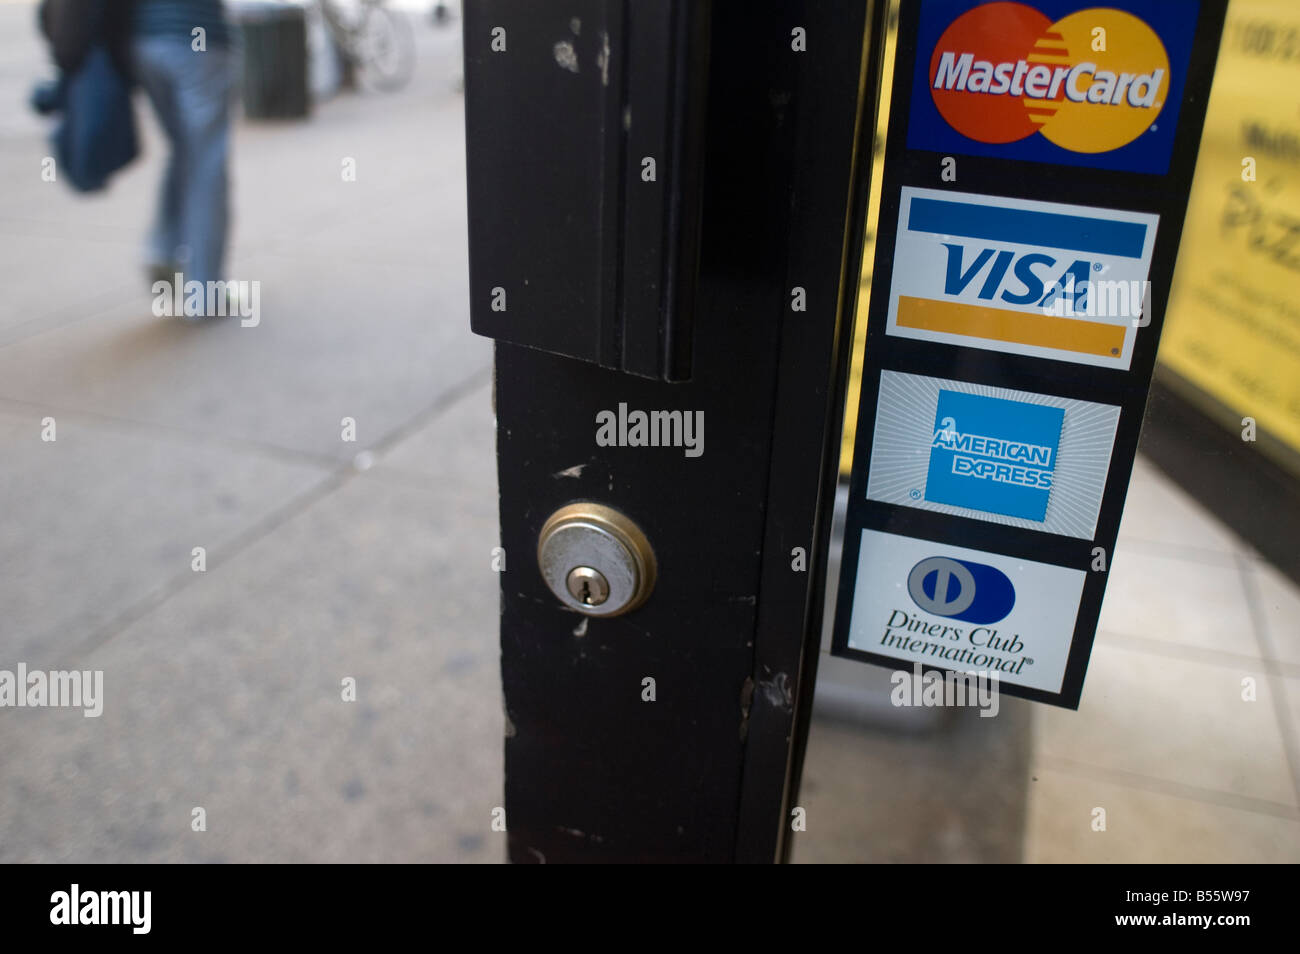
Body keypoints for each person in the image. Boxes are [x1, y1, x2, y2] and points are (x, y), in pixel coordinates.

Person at [131, 0, 236, 308]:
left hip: (145, 39)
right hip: (196, 40)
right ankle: (206, 294)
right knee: (206, 162)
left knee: (182, 148)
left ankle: (162, 251)